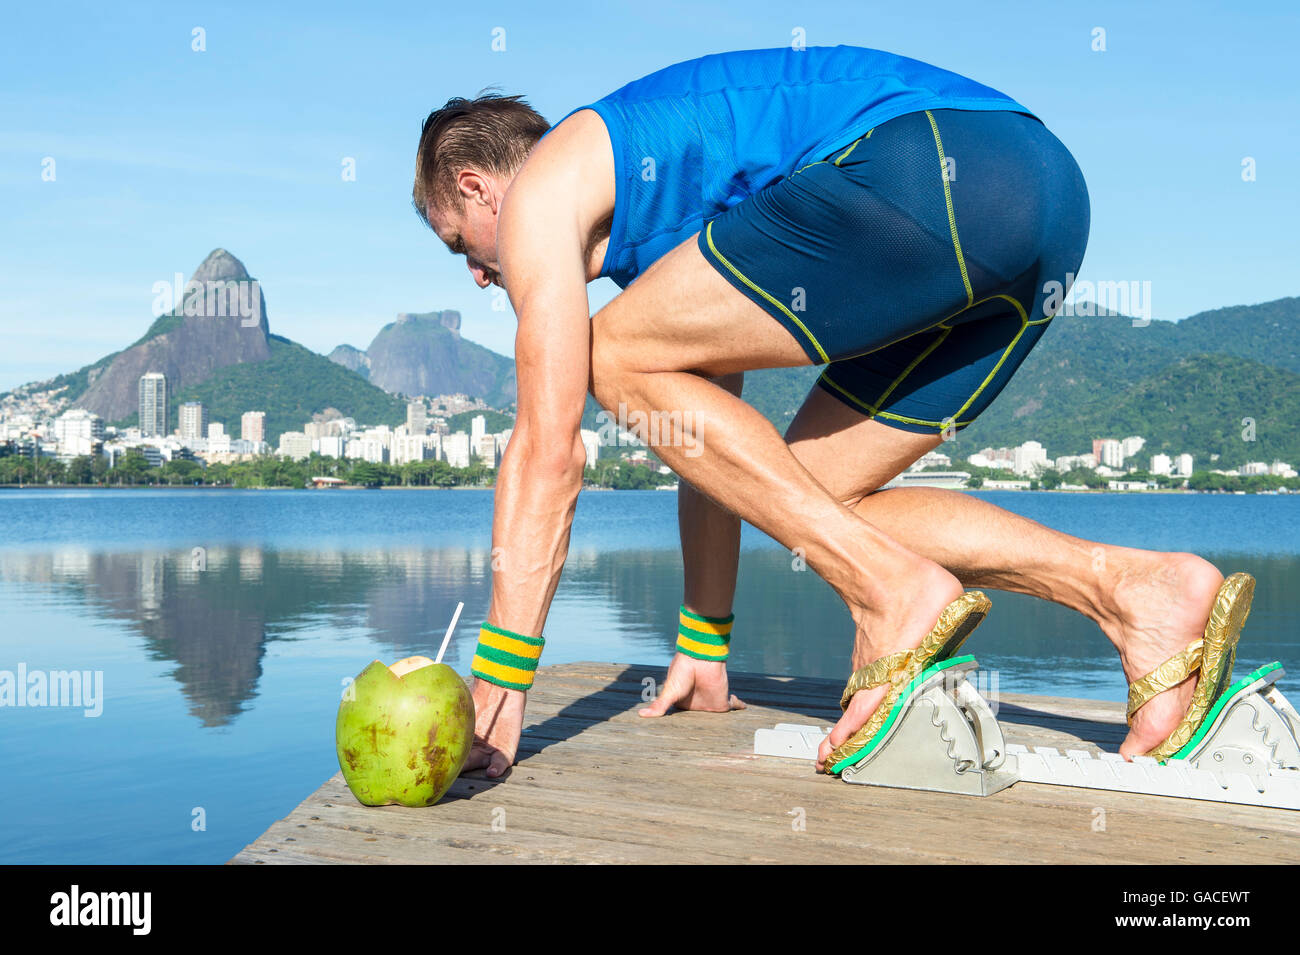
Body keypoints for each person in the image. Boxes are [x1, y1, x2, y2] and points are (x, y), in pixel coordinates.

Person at [411, 45, 1253, 779]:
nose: (480, 277)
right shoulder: (660, 235)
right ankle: (1134, 590)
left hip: (931, 161)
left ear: (479, 187)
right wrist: (706, 649)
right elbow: (718, 461)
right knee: (798, 497)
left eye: (460, 247)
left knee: (607, 354)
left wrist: (501, 677)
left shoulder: (543, 192)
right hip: (1045, 195)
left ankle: (890, 594)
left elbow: (545, 451)